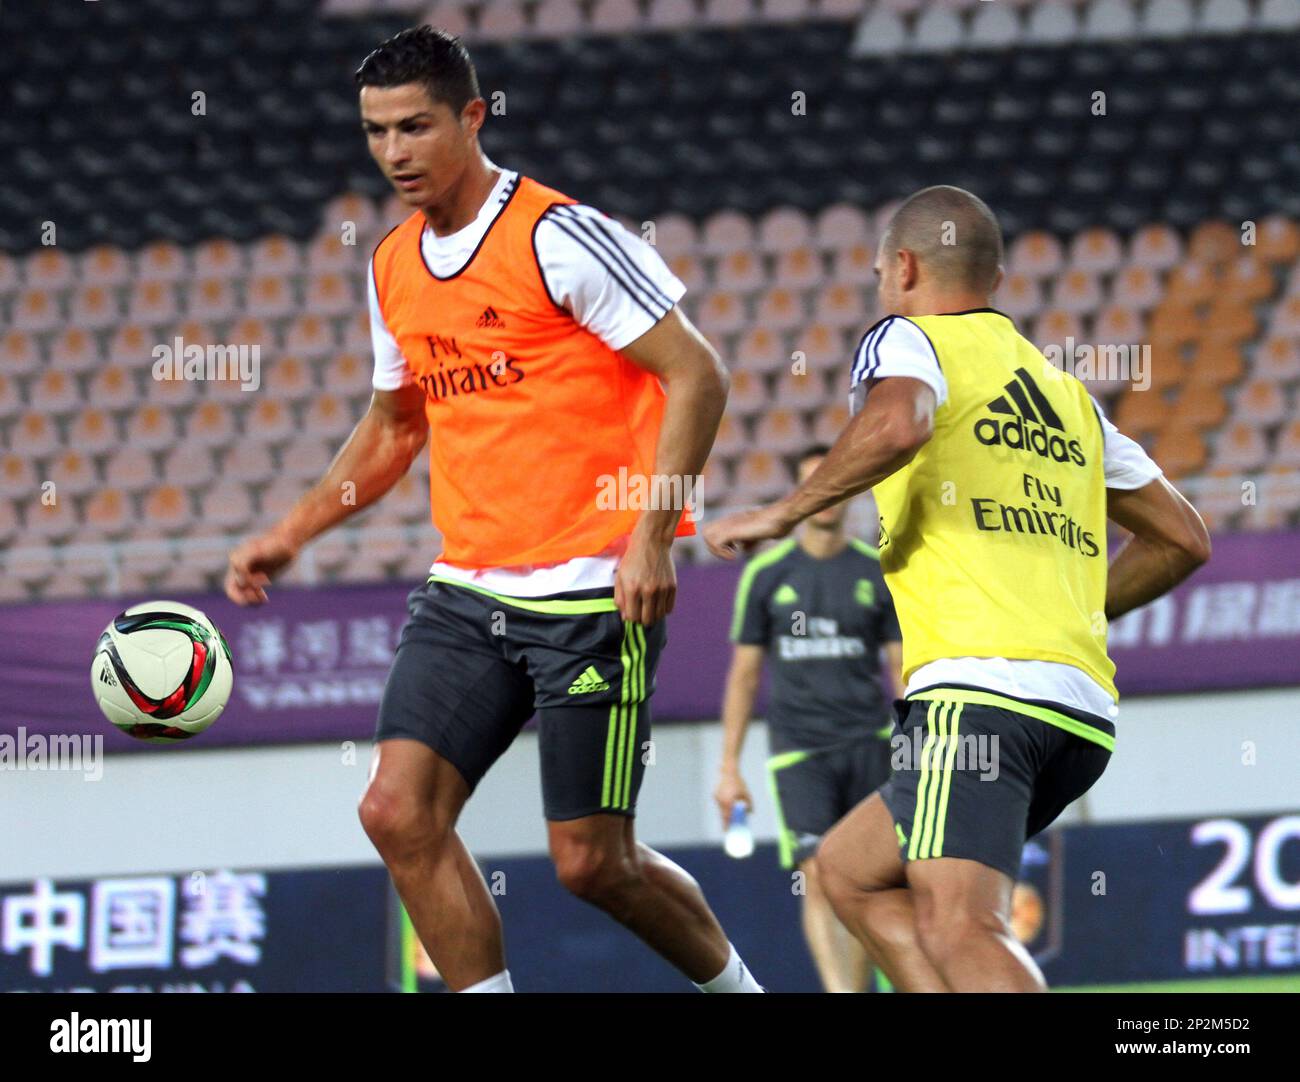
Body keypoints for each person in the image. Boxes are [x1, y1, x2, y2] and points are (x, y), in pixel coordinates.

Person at [225, 26, 763, 994]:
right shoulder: (391, 262)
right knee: (396, 811)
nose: (394, 152)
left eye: (415, 126)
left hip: (593, 585)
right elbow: (395, 424)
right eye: (376, 131)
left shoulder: (556, 234)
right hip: (469, 585)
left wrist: (651, 534)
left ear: (472, 117)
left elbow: (698, 373)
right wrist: (291, 531)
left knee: (593, 863)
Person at [703, 185, 1210, 992]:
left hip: (978, 694)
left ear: (904, 267)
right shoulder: (1067, 397)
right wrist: (1079, 610)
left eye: (878, 274)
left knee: (961, 923)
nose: (879, 288)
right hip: (1078, 712)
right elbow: (1184, 536)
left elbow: (899, 423)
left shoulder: (908, 340)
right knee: (849, 872)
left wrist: (785, 509)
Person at [714, 445, 902, 992]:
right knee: (817, 875)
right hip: (800, 751)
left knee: (873, 879)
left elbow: (901, 671)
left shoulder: (876, 571)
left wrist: (920, 747)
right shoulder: (768, 576)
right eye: (809, 483)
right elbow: (744, 677)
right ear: (796, 497)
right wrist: (729, 768)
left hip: (872, 743)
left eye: (833, 479)